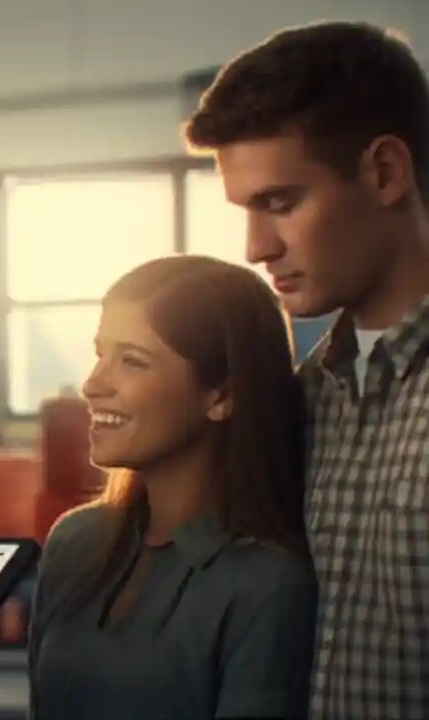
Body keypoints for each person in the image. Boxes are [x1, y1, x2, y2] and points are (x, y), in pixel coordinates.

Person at [184, 21, 429, 719]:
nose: (257, 247)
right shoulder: (301, 399)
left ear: (385, 172)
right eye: (247, 210)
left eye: (281, 203)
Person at [27, 256, 317, 719]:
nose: (91, 384)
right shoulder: (74, 543)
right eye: (100, 354)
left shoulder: (268, 586)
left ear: (222, 395)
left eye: (132, 361)